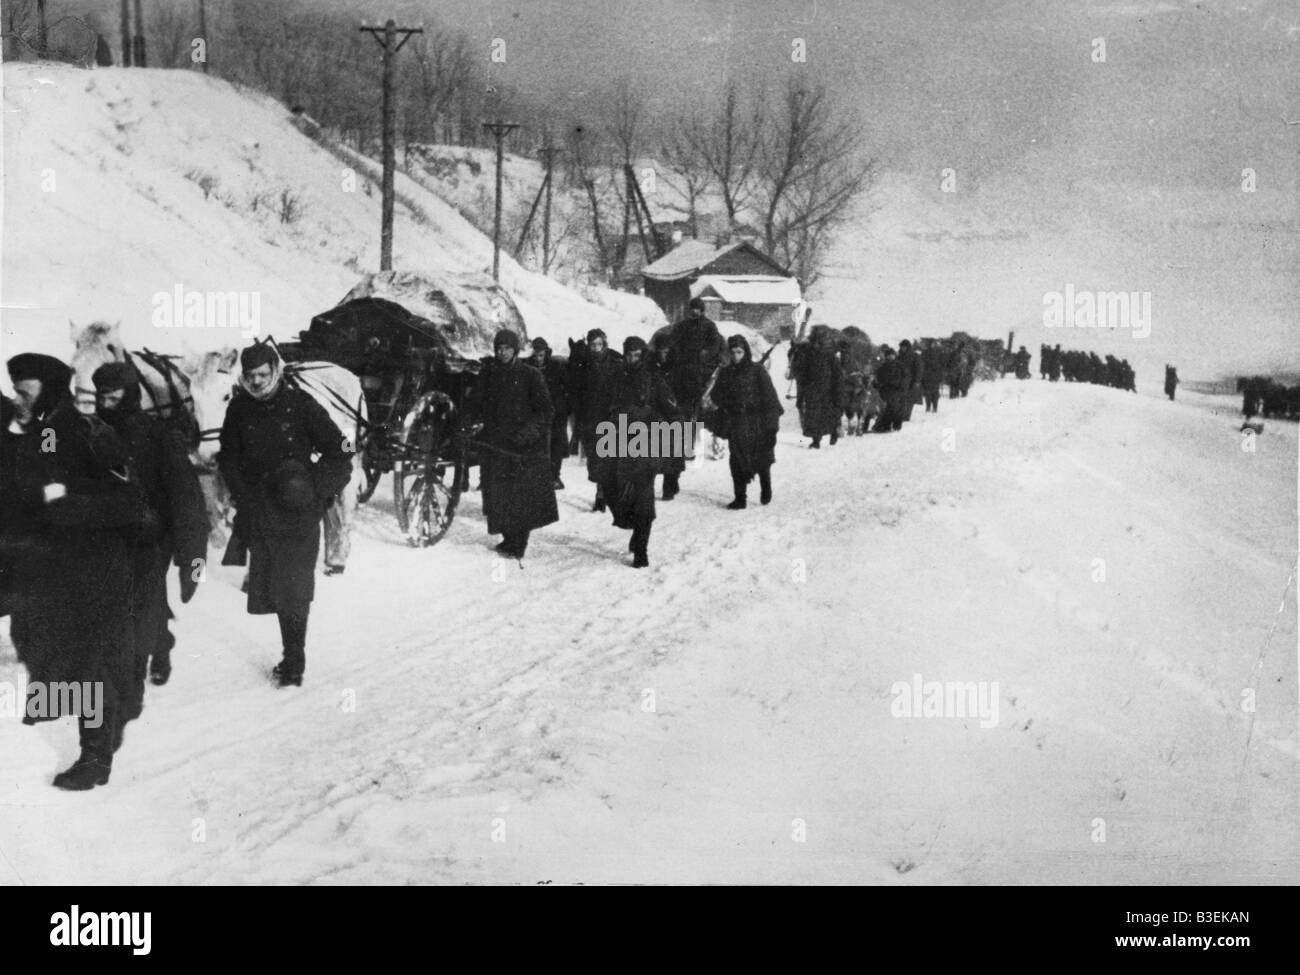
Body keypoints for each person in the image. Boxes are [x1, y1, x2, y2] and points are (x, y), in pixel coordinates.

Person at [4, 353, 145, 789]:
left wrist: (74, 509)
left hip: (94, 567)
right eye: (16, 392)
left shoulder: (88, 434)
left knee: (89, 663)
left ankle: (95, 758)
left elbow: (130, 504)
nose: (19, 400)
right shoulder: (37, 432)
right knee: (34, 640)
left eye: (25, 393)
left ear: (47, 389)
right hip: (45, 564)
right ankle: (55, 702)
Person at [218, 344, 353, 688]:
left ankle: (294, 660)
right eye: (250, 377)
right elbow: (228, 458)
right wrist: (241, 494)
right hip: (261, 513)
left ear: (276, 371)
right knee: (274, 588)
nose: (258, 382)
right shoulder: (238, 409)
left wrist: (315, 491)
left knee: (294, 588)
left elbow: (342, 451)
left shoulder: (301, 404)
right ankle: (291, 654)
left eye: (263, 374)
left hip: (298, 513)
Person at [93, 363, 209, 697]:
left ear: (129, 394)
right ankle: (161, 644)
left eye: (113, 395)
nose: (106, 401)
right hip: (110, 533)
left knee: (141, 601)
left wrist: (192, 555)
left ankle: (137, 673)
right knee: (134, 601)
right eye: (101, 395)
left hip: (154, 535)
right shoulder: (93, 432)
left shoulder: (158, 434)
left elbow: (185, 495)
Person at [472, 329, 559, 559]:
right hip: (496, 445)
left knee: (520, 498)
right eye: (499, 348)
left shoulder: (530, 375)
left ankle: (518, 544)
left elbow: (546, 411)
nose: (502, 353)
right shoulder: (488, 374)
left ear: (515, 350)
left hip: (523, 448)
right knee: (499, 496)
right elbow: (475, 403)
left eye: (507, 348)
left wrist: (527, 434)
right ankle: (509, 539)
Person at [602, 336, 680, 567]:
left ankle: (641, 550)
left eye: (637, 355)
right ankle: (636, 530)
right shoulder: (615, 378)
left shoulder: (654, 379)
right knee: (613, 492)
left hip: (646, 443)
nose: (632, 359)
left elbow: (672, 411)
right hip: (616, 441)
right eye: (629, 355)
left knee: (643, 496)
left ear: (643, 355)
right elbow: (602, 407)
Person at [710, 334, 783, 508]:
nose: (736, 356)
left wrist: (772, 427)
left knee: (762, 459)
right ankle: (740, 498)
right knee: (736, 460)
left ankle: (766, 486)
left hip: (758, 423)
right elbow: (715, 395)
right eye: (733, 352)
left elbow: (771, 399)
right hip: (737, 423)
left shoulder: (758, 371)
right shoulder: (726, 373)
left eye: (739, 352)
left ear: (746, 352)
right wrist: (728, 403)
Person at [665, 297, 725, 489]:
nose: (694, 313)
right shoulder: (681, 326)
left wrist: (705, 355)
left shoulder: (709, 326)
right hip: (682, 374)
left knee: (702, 411)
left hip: (702, 374)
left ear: (702, 310)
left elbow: (716, 347)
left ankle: (714, 444)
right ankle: (689, 447)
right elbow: (672, 343)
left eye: (698, 310)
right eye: (692, 309)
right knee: (686, 411)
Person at [571, 328, 622, 511]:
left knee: (608, 455)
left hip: (609, 416)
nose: (596, 348)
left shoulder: (615, 362)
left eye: (599, 344)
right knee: (594, 458)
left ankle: (603, 494)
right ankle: (601, 490)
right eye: (592, 344)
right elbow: (576, 389)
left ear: (605, 343)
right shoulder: (582, 364)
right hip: (589, 416)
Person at [527, 337, 569, 489]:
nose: (538, 358)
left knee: (555, 445)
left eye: (541, 355)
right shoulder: (527, 367)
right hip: (535, 413)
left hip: (556, 412)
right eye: (536, 355)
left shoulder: (556, 367)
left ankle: (555, 476)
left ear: (546, 353)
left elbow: (567, 388)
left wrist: (563, 408)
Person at [793, 327, 842, 447]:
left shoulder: (830, 355)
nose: (816, 344)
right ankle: (816, 440)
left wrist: (838, 390)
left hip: (828, 390)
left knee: (830, 413)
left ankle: (834, 432)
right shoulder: (807, 354)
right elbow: (803, 374)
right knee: (814, 415)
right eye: (814, 341)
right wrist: (802, 392)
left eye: (818, 341)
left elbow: (837, 374)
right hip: (812, 390)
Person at [872, 346, 908, 432]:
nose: (890, 357)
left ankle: (896, 425)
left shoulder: (900, 366)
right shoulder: (882, 367)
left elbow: (905, 378)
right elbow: (877, 378)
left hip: (897, 390)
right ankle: (885, 426)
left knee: (895, 409)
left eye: (892, 355)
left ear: (894, 356)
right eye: (888, 355)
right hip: (885, 390)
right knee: (886, 409)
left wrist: (900, 385)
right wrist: (877, 384)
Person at [897, 339, 923, 421]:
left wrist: (917, 381)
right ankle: (901, 415)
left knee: (909, 400)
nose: (903, 348)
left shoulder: (915, 356)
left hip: (911, 381)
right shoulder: (899, 356)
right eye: (902, 347)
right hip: (900, 381)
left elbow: (919, 369)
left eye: (905, 347)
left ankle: (906, 416)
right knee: (901, 399)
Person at [921, 340, 946, 413]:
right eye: (931, 344)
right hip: (928, 376)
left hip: (935, 376)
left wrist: (941, 376)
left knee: (935, 393)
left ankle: (935, 407)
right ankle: (928, 406)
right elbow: (922, 364)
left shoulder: (939, 352)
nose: (933, 345)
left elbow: (942, 364)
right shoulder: (925, 352)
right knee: (928, 393)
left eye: (934, 344)